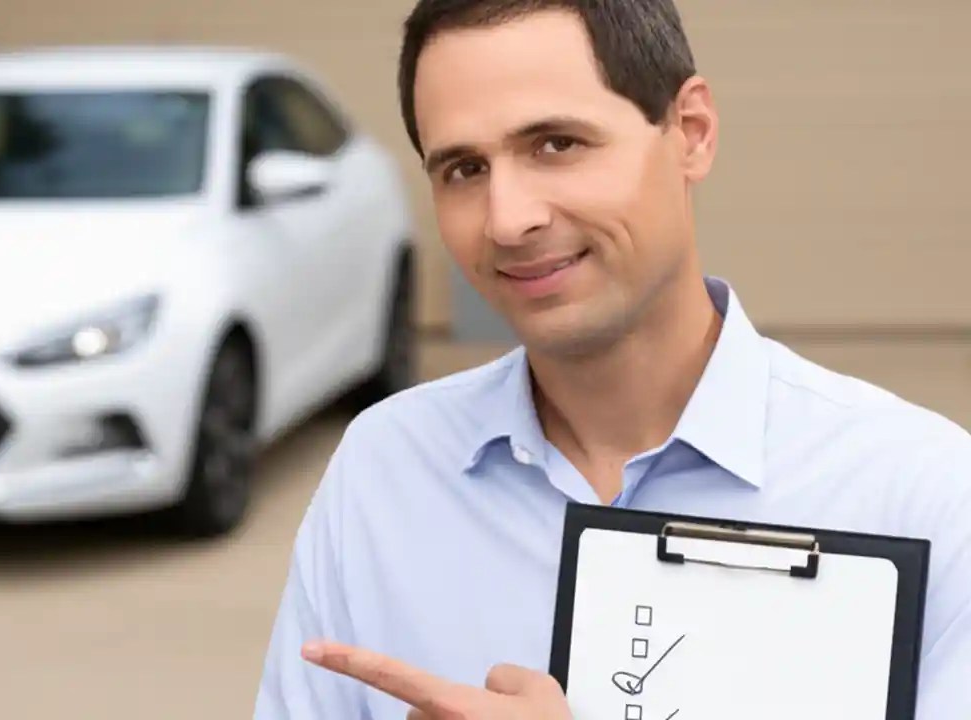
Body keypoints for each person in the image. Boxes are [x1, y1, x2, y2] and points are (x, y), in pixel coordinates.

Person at [253, 1, 971, 717]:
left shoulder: (919, 496)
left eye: (556, 144)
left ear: (691, 132)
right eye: (465, 168)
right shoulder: (385, 472)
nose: (509, 219)